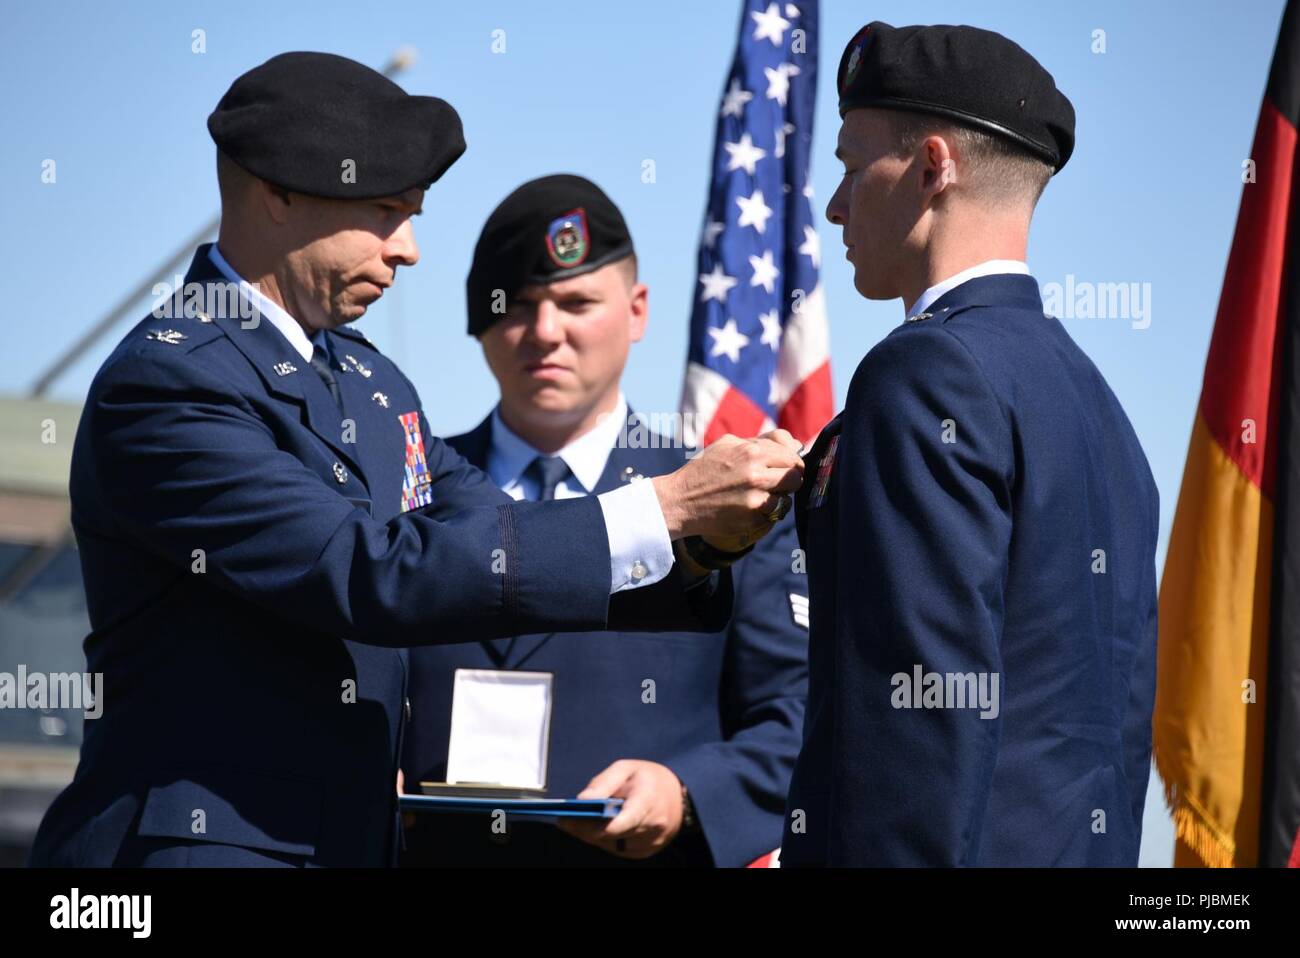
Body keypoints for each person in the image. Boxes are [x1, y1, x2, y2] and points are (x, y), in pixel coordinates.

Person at [29, 52, 802, 868]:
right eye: (386, 213)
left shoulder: (368, 379)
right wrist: (667, 506)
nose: (409, 250)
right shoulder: (171, 380)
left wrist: (706, 537)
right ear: (279, 194)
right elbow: (366, 571)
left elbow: (495, 527)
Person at [780, 22, 1159, 866]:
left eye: (850, 165)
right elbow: (1118, 734)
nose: (836, 204)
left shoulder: (924, 374)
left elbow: (912, 728)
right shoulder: (1107, 414)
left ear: (933, 167)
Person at [400, 175, 809, 867]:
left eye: (576, 302)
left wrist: (686, 794)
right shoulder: (407, 490)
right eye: (518, 306)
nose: (545, 332)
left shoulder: (725, 504)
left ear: (638, 310)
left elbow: (800, 716)